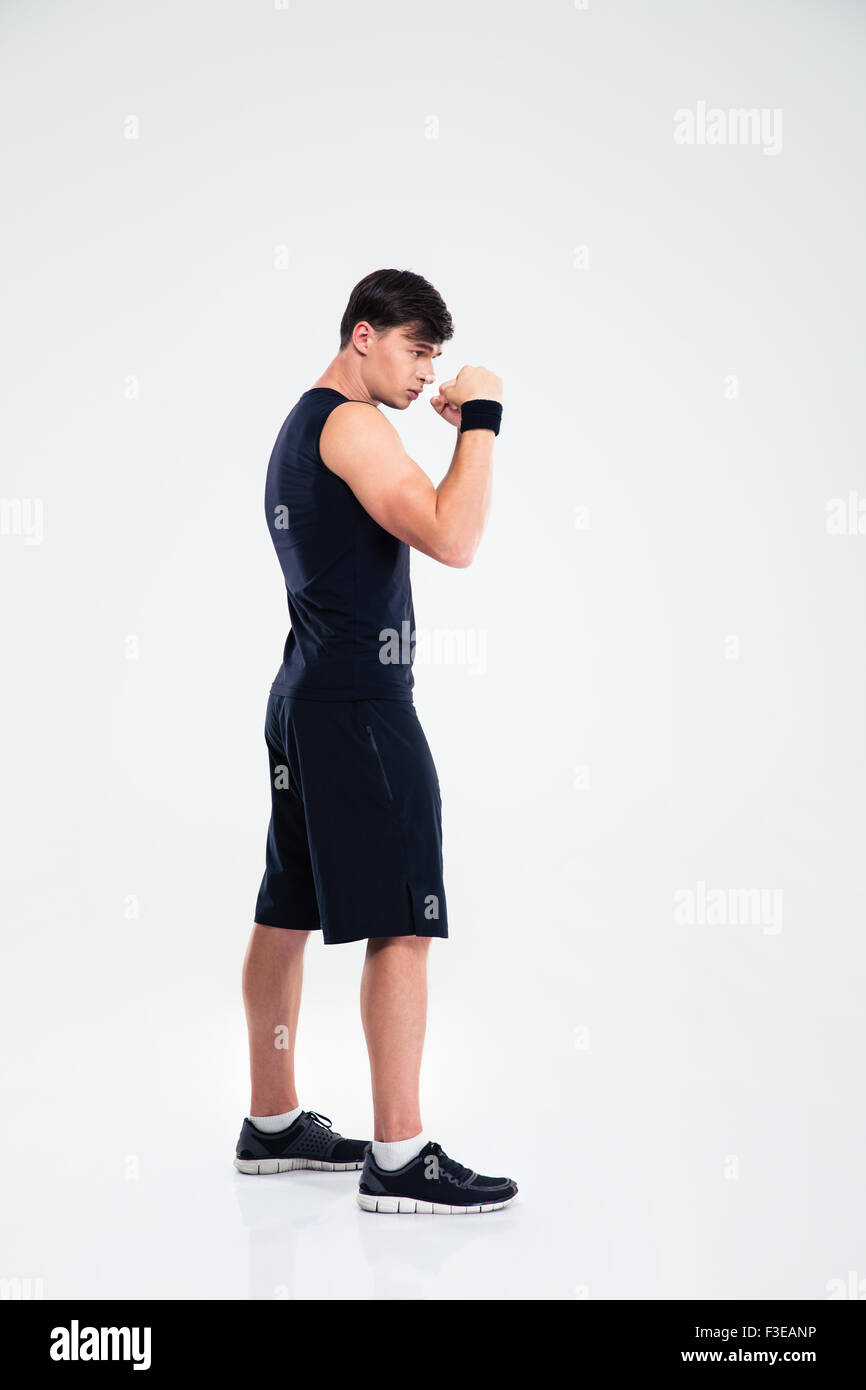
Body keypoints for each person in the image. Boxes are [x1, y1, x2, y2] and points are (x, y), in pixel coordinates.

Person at [234, 268, 518, 1214]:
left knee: (288, 906)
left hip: (303, 695)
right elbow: (455, 535)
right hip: (358, 704)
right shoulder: (354, 426)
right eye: (414, 350)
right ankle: (400, 1157)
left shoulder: (301, 423)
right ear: (363, 335)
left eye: (438, 357)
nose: (425, 371)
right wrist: (480, 421)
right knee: (403, 915)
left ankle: (270, 1123)